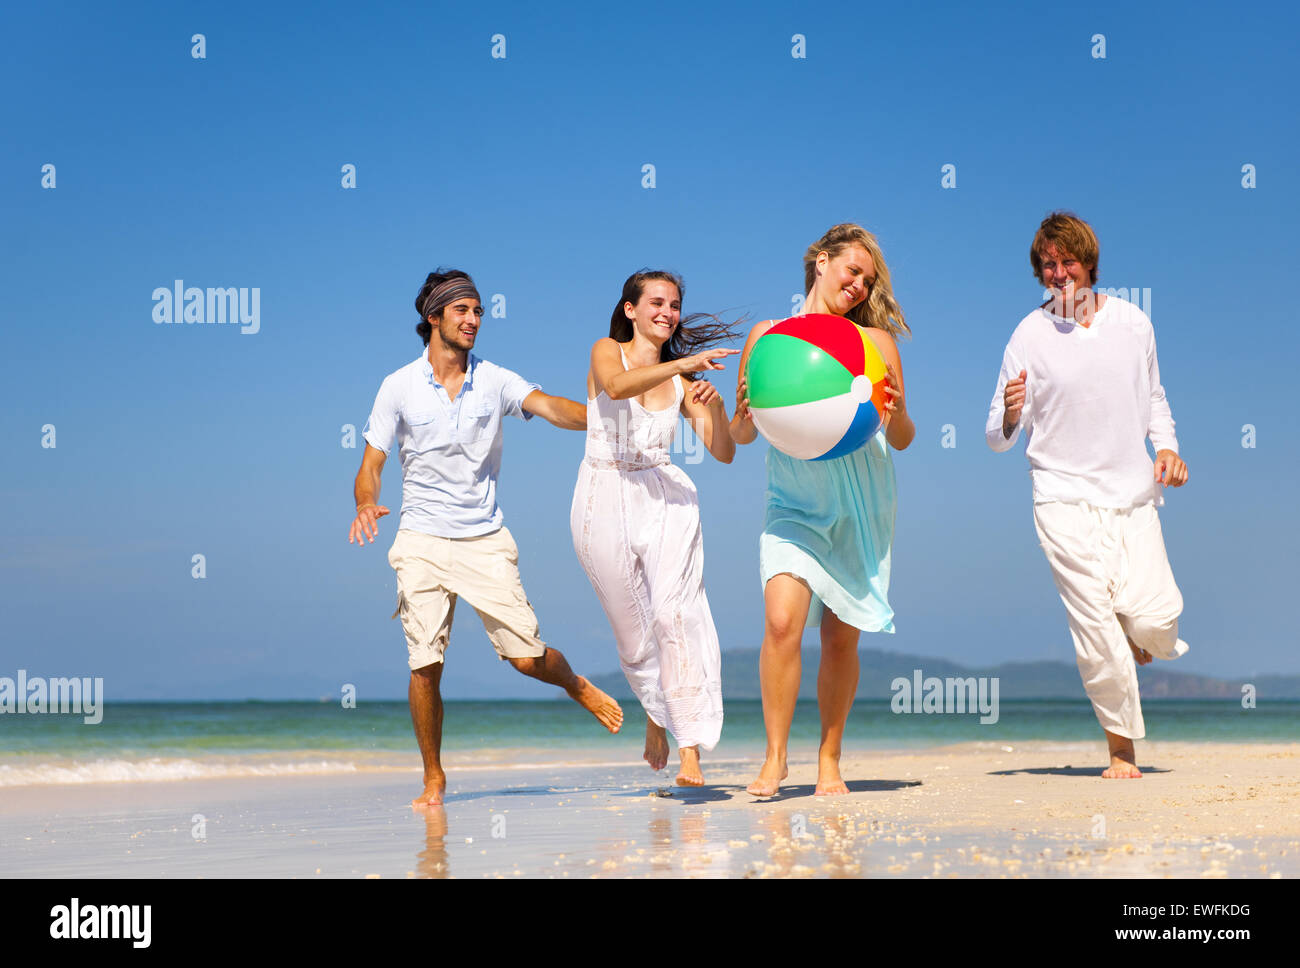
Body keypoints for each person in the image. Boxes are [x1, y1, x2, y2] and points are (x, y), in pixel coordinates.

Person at [349, 268, 624, 807]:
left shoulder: (494, 379)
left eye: (478, 311)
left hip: (484, 538)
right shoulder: (397, 386)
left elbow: (547, 406)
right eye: (462, 311)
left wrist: (597, 417)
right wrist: (364, 502)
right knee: (424, 664)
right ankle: (434, 777)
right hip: (420, 539)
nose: (474, 320)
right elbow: (372, 462)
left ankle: (574, 684)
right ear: (434, 318)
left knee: (524, 658)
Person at [985, 212, 1189, 779]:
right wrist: (1009, 412)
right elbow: (995, 439)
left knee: (1156, 623)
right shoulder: (1029, 333)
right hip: (1060, 496)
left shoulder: (1133, 323)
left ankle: (1136, 630)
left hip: (1132, 494)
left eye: (1067, 261)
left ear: (1090, 264)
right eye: (1047, 265)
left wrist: (1167, 449)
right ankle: (1121, 750)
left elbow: (1154, 398)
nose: (1058, 273)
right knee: (1094, 624)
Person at [730, 224, 914, 797]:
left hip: (860, 499)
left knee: (840, 640)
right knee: (782, 622)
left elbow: (903, 436)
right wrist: (740, 411)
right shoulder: (768, 336)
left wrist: (896, 409)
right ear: (820, 261)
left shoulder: (877, 345)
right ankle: (775, 757)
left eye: (867, 279)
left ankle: (829, 758)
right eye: (851, 271)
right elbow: (740, 436)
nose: (858, 285)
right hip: (794, 498)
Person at [570, 270, 739, 786]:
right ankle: (655, 713)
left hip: (665, 498)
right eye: (656, 303)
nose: (667, 312)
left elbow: (725, 452)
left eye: (674, 305)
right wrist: (683, 363)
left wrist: (720, 408)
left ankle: (690, 748)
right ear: (631, 310)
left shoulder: (683, 381)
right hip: (603, 496)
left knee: (674, 616)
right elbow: (617, 387)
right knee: (633, 636)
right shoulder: (606, 351)